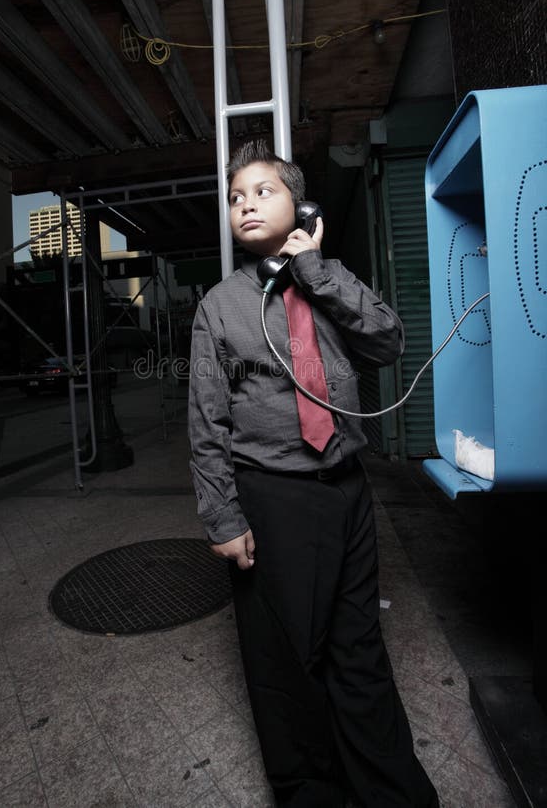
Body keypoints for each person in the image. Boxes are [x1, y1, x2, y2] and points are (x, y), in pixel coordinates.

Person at [188, 140, 439, 808]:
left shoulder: (330, 280)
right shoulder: (221, 306)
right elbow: (206, 417)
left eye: (261, 191)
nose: (244, 204)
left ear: (300, 204)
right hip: (273, 496)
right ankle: (310, 792)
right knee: (286, 661)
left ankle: (391, 789)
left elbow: (387, 342)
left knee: (358, 647)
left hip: (348, 491)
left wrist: (317, 269)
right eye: (235, 197)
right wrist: (223, 515)